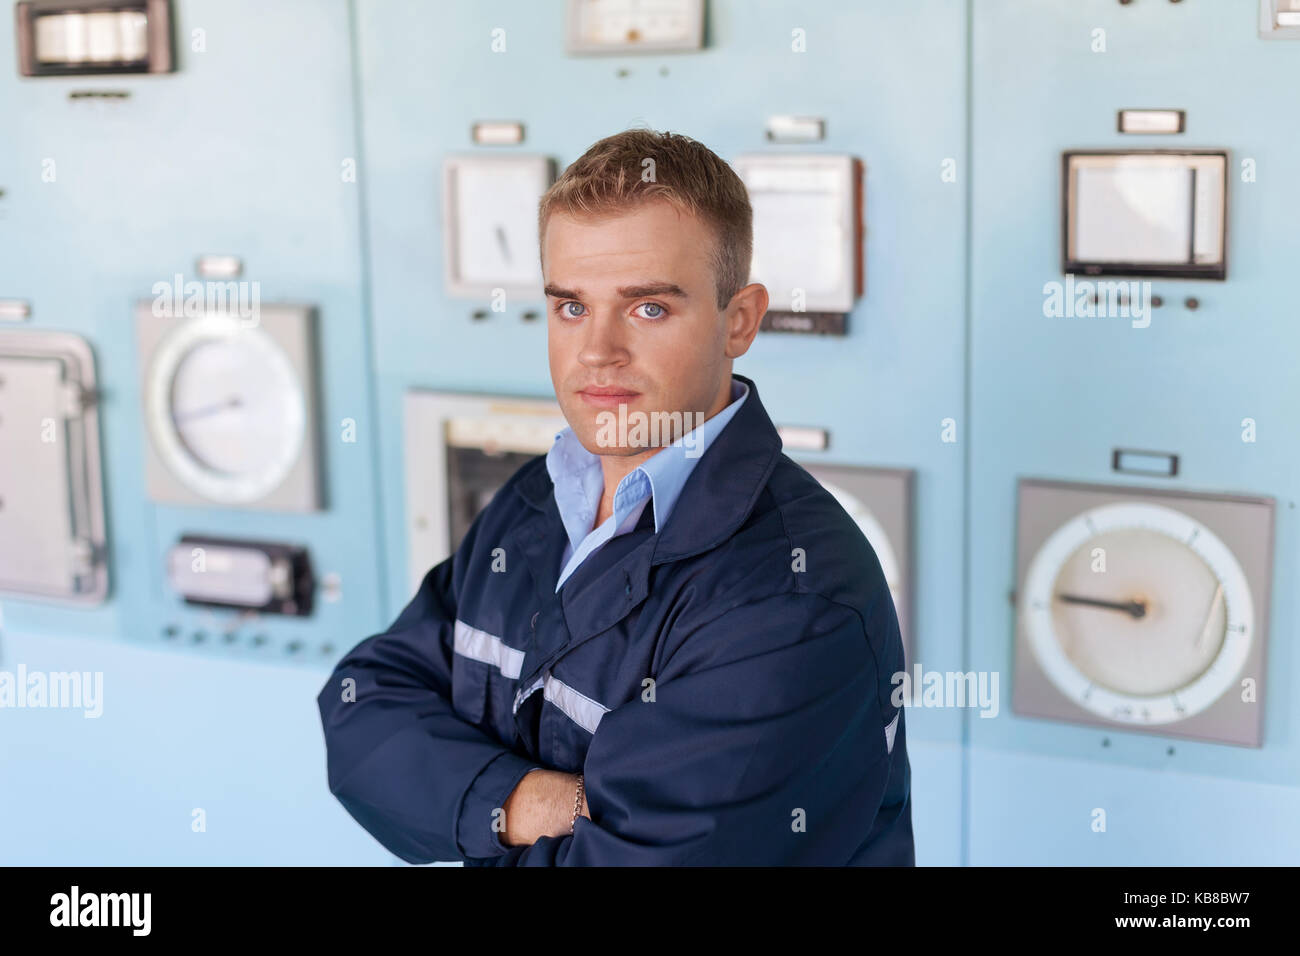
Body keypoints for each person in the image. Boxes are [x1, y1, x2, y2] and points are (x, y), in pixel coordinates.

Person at [317, 128, 914, 865]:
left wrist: (465, 801)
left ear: (740, 321)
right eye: (571, 307)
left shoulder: (792, 598)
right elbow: (362, 706)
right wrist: (523, 801)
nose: (597, 351)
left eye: (648, 309)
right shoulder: (542, 498)